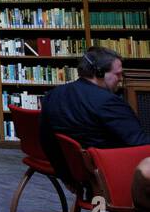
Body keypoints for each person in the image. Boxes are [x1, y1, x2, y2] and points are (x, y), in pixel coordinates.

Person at [40, 46, 150, 189]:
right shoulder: (108, 102)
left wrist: (67, 178)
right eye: (117, 74)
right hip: (111, 174)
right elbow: (140, 145)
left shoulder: (53, 95)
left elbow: (46, 141)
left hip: (79, 173)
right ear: (99, 73)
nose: (121, 80)